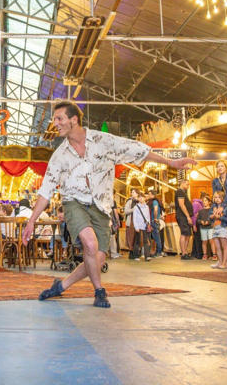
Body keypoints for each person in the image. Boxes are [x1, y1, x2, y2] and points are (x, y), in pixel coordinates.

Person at [22, 101, 195, 308]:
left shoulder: (103, 141)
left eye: (59, 118)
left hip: (101, 205)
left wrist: (172, 163)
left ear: (73, 120)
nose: (55, 123)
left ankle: (61, 285)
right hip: (74, 202)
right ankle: (99, 291)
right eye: (54, 119)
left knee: (98, 259)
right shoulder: (59, 156)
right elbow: (45, 192)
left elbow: (136, 149)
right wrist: (31, 221)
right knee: (91, 244)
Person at [209, 190, 227, 269]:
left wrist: (220, 217)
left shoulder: (226, 208)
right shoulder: (213, 207)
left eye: (219, 197)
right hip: (215, 228)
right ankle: (220, 262)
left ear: (222, 198)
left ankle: (224, 263)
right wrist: (212, 216)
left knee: (224, 246)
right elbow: (210, 218)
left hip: (222, 228)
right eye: (215, 197)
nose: (217, 199)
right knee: (217, 247)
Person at [175, 180, 193, 259]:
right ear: (182, 183)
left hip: (185, 216)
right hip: (182, 216)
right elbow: (181, 205)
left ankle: (185, 251)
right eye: (187, 184)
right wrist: (188, 216)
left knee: (188, 234)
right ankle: (183, 253)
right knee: (184, 234)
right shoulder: (180, 192)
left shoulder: (183, 192)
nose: (188, 186)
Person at [132, 192, 151, 262]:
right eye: (139, 197)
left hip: (145, 226)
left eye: (142, 197)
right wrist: (136, 227)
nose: (141, 198)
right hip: (139, 226)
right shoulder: (136, 207)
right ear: (138, 199)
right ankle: (136, 256)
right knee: (137, 241)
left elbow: (148, 216)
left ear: (145, 198)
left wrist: (149, 224)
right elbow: (134, 218)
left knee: (146, 241)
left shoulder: (147, 207)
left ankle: (147, 256)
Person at [197, 196, 213, 260]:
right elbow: (198, 220)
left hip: (210, 227)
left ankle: (214, 254)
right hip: (203, 228)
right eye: (203, 201)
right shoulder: (201, 211)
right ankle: (205, 254)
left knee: (211, 241)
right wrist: (201, 221)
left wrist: (208, 222)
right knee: (204, 241)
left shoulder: (211, 210)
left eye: (206, 201)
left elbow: (213, 219)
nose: (204, 202)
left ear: (209, 202)